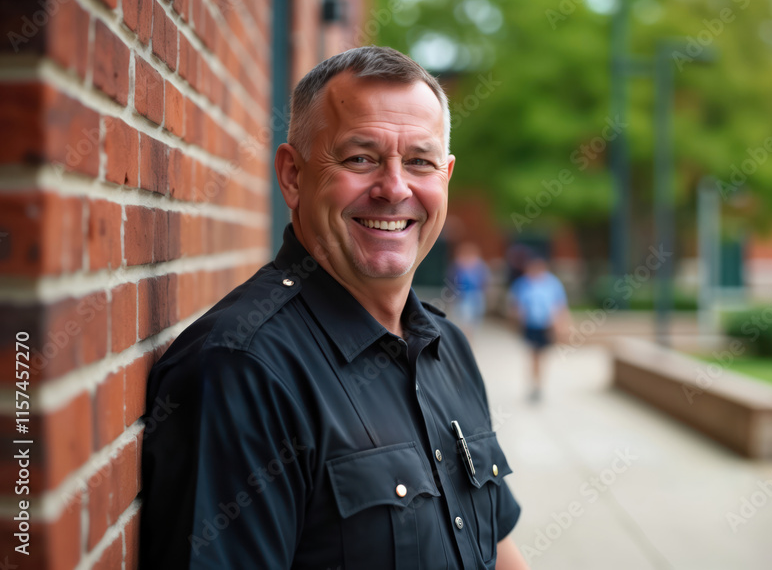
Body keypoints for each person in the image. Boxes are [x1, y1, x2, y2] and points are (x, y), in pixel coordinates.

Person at [139, 46, 528, 570]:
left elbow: (498, 548)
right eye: (360, 158)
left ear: (446, 177)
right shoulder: (243, 370)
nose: (394, 188)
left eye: (420, 161)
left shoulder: (447, 346)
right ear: (293, 176)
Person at [507, 255, 569, 402]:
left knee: (542, 355)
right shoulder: (522, 284)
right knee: (533, 354)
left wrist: (561, 324)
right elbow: (515, 304)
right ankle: (534, 385)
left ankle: (539, 384)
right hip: (530, 324)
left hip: (546, 325)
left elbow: (560, 305)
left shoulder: (552, 283)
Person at [448, 242, 491, 340]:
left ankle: (469, 338)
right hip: (462, 296)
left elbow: (484, 280)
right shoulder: (457, 265)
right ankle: (465, 338)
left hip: (476, 295)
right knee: (463, 319)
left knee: (474, 319)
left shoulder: (480, 266)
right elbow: (452, 281)